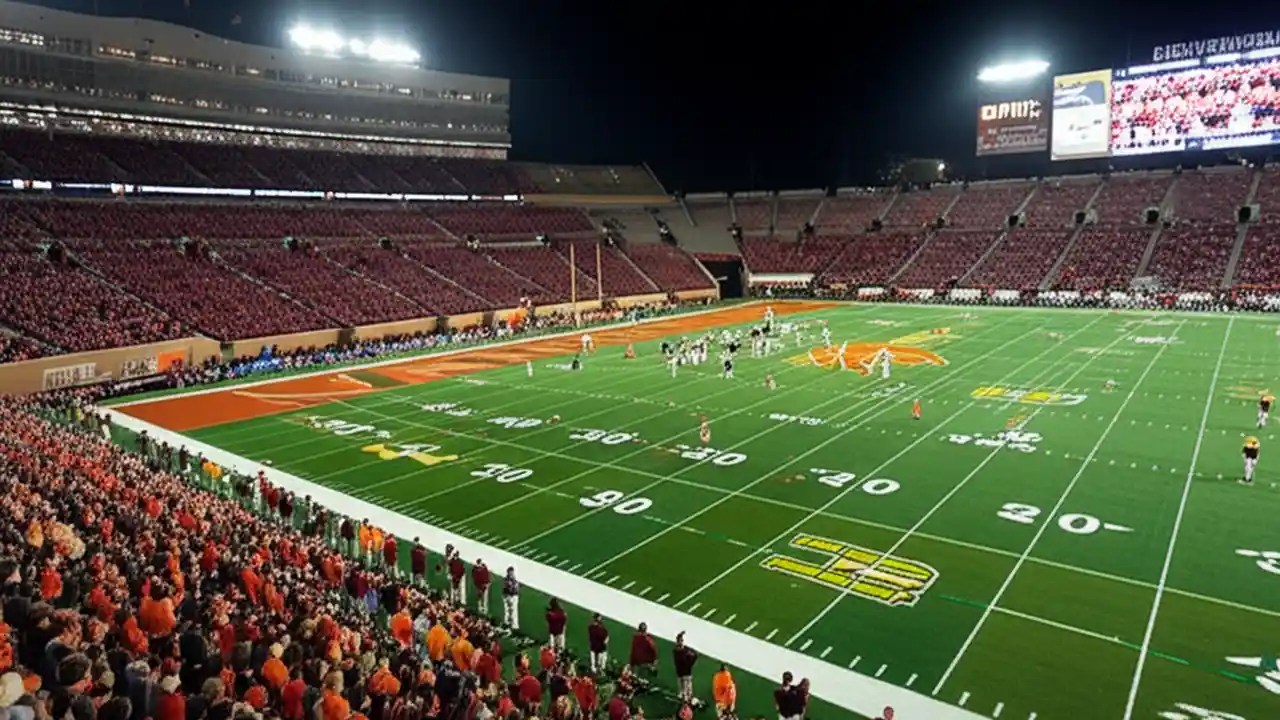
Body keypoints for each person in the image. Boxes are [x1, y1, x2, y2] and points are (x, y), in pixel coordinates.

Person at [672, 632, 698, 705]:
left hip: (679, 672)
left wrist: (680, 634)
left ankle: (682, 695)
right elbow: (690, 663)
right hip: (686, 672)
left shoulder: (675, 651)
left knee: (681, 686)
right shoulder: (685, 653)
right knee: (688, 686)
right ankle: (687, 700)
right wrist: (694, 657)